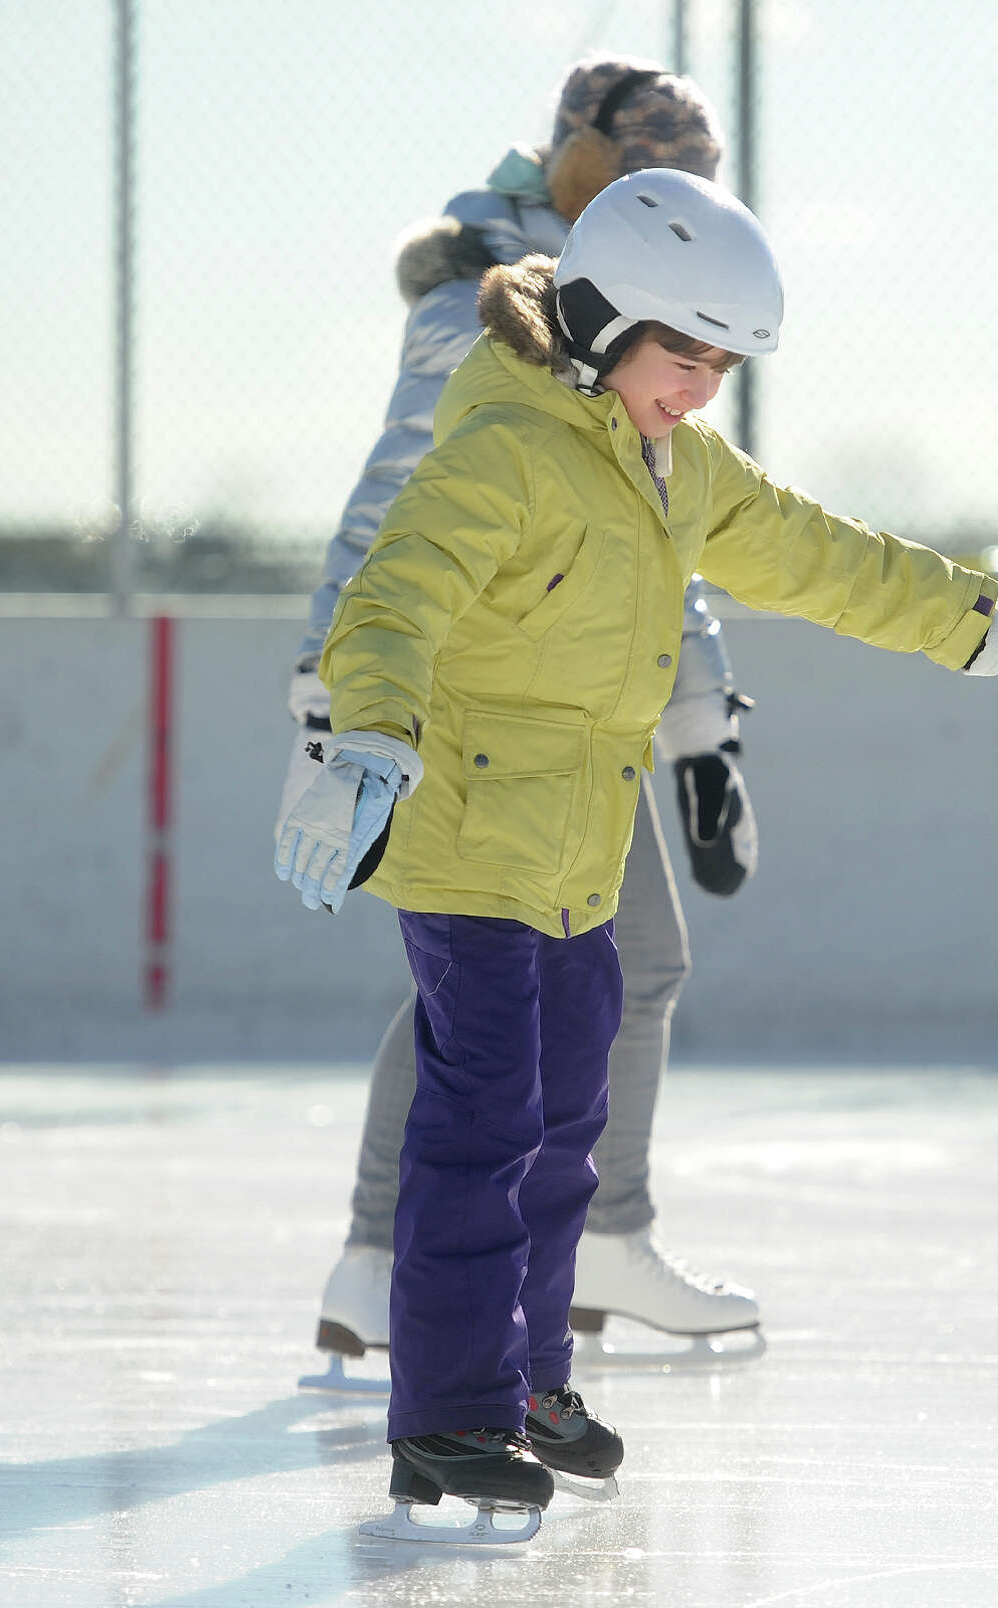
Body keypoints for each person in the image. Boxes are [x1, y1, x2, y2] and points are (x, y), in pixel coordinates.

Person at [275, 166, 998, 1536]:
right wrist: (368, 741)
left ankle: (530, 1385)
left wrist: (985, 630)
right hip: (472, 844)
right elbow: (394, 596)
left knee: (563, 1136)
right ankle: (442, 1417)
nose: (704, 387)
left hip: (579, 860)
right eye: (687, 354)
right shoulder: (505, 447)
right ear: (605, 323)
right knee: (479, 1127)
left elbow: (819, 553)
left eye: (723, 363)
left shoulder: (675, 466)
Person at [277, 56, 764, 1383]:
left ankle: (458, 1253)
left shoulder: (625, 302)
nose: (675, 196)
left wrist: (704, 731)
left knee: (557, 969)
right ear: (578, 158)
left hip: (555, 696)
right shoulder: (504, 309)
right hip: (465, 692)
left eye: (693, 182)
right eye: (652, 170)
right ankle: (428, 1254)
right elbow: (408, 510)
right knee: (520, 969)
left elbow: (657, 535)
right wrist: (342, 703)